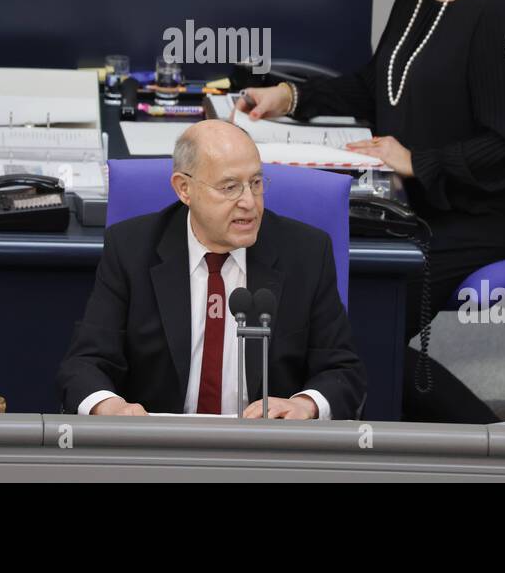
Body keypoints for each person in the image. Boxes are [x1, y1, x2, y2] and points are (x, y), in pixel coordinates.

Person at [236, 0, 505, 424]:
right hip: (414, 197)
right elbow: (379, 85)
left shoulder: (500, 11)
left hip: (477, 214)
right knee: (325, 305)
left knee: (360, 325)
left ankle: (490, 441)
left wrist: (417, 160)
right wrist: (292, 96)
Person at [58, 120, 365, 418]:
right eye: (230, 187)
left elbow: (343, 372)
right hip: (160, 451)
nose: (249, 202)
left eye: (256, 183)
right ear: (184, 189)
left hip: (266, 452)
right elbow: (85, 364)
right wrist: (110, 407)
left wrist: (305, 405)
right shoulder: (131, 249)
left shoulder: (306, 253)